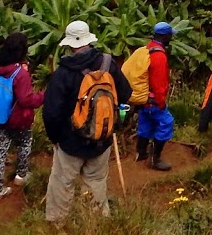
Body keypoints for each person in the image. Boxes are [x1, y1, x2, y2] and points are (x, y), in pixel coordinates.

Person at [41, 19, 132, 223]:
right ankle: (97, 222)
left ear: (70, 44)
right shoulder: (108, 64)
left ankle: (57, 223)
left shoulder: (63, 73)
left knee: (62, 181)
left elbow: (51, 112)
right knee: (96, 180)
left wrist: (55, 138)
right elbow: (126, 93)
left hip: (70, 142)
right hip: (102, 138)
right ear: (89, 40)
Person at [0, 31, 45, 200]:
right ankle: (21, 174)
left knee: (0, 150)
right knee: (25, 143)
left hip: (0, 115)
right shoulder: (20, 74)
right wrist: (43, 96)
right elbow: (26, 99)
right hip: (18, 118)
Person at [133, 22, 176, 171]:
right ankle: (155, 159)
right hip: (153, 100)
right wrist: (161, 102)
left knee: (146, 124)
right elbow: (159, 83)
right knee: (166, 122)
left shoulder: (148, 48)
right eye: (170, 35)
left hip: (143, 97)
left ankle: (141, 153)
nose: (171, 38)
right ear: (165, 36)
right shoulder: (159, 56)